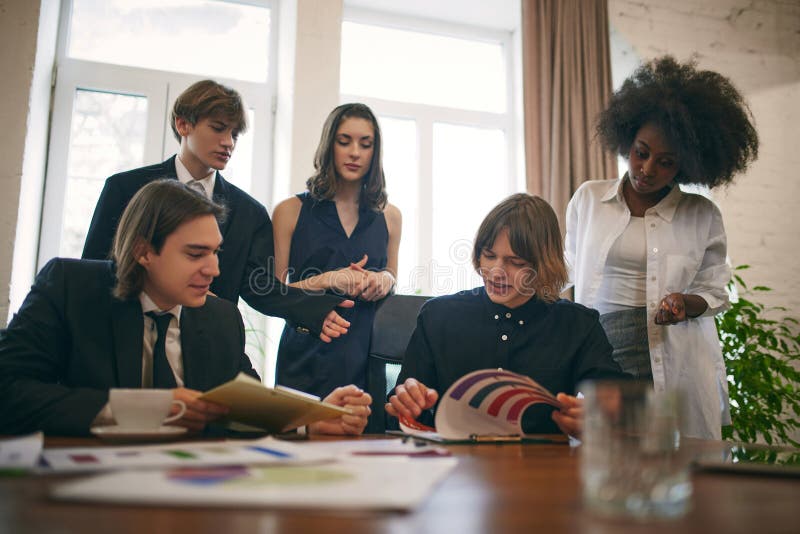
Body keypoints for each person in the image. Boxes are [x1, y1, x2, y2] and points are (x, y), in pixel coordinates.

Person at [0, 180, 371, 436]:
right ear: (143, 251)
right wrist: (144, 409)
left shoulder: (221, 316)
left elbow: (243, 406)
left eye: (215, 252)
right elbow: (9, 391)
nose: (214, 270)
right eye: (195, 254)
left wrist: (313, 419)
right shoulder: (70, 289)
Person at [564, 56, 759, 439]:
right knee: (604, 460)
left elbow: (716, 290)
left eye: (666, 162)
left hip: (671, 356)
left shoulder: (701, 214)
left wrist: (685, 303)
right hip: (599, 348)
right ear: (627, 140)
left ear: (687, 165)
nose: (647, 169)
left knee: (673, 470)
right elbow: (566, 269)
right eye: (641, 152)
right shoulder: (588, 199)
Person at [82, 79, 350, 342]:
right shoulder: (125, 188)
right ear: (183, 124)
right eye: (219, 129)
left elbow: (261, 288)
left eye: (234, 134)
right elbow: (95, 268)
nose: (228, 143)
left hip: (208, 347)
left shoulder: (250, 213)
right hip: (127, 337)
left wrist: (315, 309)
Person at [386, 194, 624, 437]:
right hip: (454, 464)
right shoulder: (438, 315)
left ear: (544, 263)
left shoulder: (578, 325)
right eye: (489, 256)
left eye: (515, 262)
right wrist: (407, 402)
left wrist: (596, 418)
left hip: (543, 468)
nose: (497, 272)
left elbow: (617, 406)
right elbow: (400, 408)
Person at [272, 103, 401, 397]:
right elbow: (274, 293)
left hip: (368, 356)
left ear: (374, 152)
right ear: (329, 145)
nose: (355, 152)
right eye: (344, 141)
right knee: (296, 440)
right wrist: (329, 279)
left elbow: (392, 274)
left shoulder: (390, 216)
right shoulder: (290, 211)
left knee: (366, 441)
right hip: (306, 353)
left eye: (365, 144)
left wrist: (385, 280)